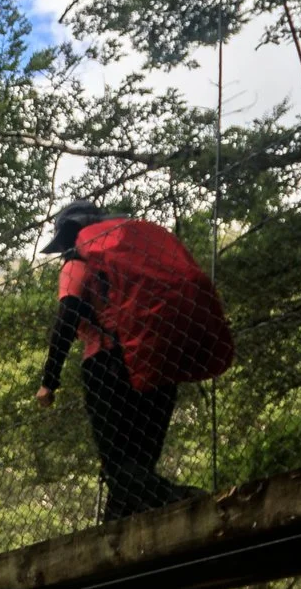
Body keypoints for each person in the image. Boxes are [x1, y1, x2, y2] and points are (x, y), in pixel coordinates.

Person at [34, 199, 235, 521]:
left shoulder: (77, 261)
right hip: (157, 356)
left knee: (119, 468)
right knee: (139, 464)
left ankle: (192, 503)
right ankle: (113, 529)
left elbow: (67, 316)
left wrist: (49, 381)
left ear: (70, 235)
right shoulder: (129, 257)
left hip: (108, 366)